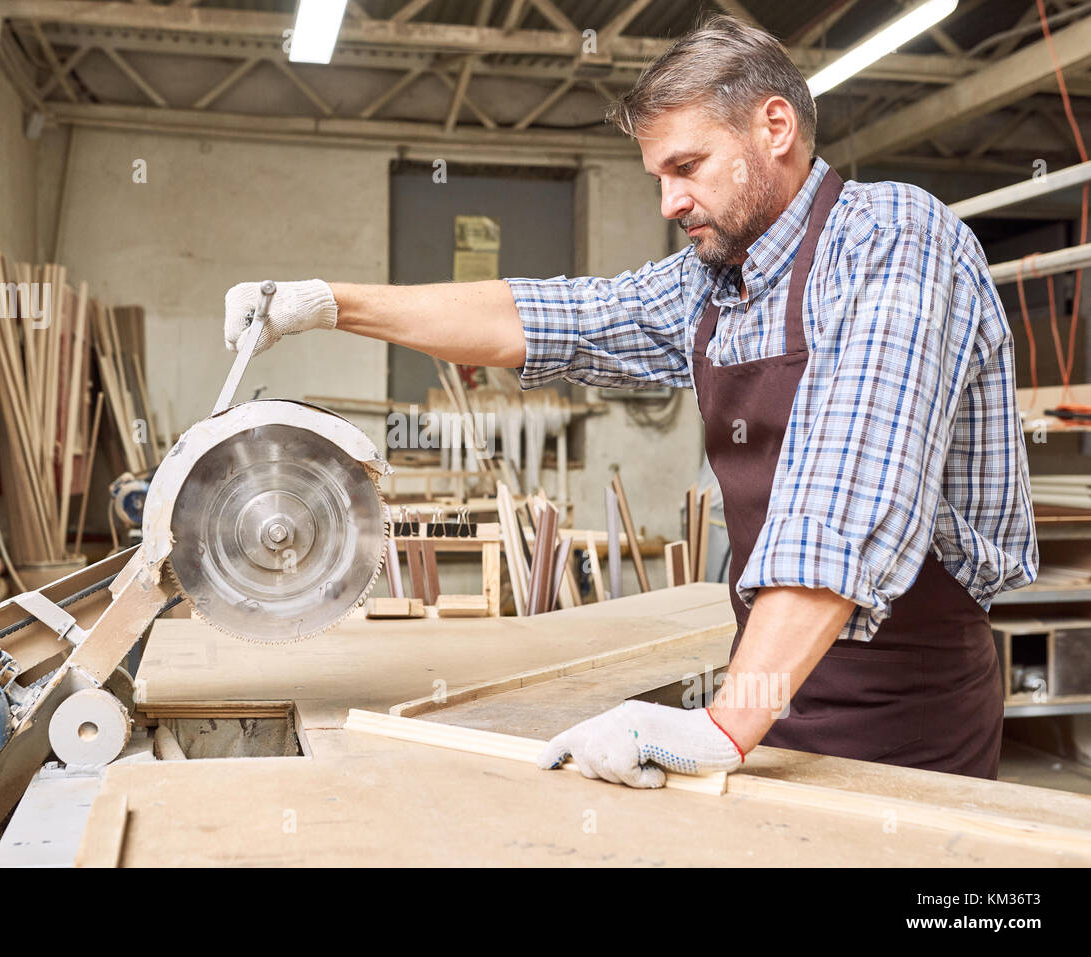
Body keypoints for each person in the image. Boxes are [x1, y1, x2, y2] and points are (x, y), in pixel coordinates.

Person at [222, 16, 1038, 786]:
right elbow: (546, 318)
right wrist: (328, 303)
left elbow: (846, 497)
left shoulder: (894, 240)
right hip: (770, 694)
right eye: (658, 177)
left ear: (776, 128)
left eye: (686, 168)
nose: (668, 203)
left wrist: (721, 725)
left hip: (908, 716)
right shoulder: (715, 283)